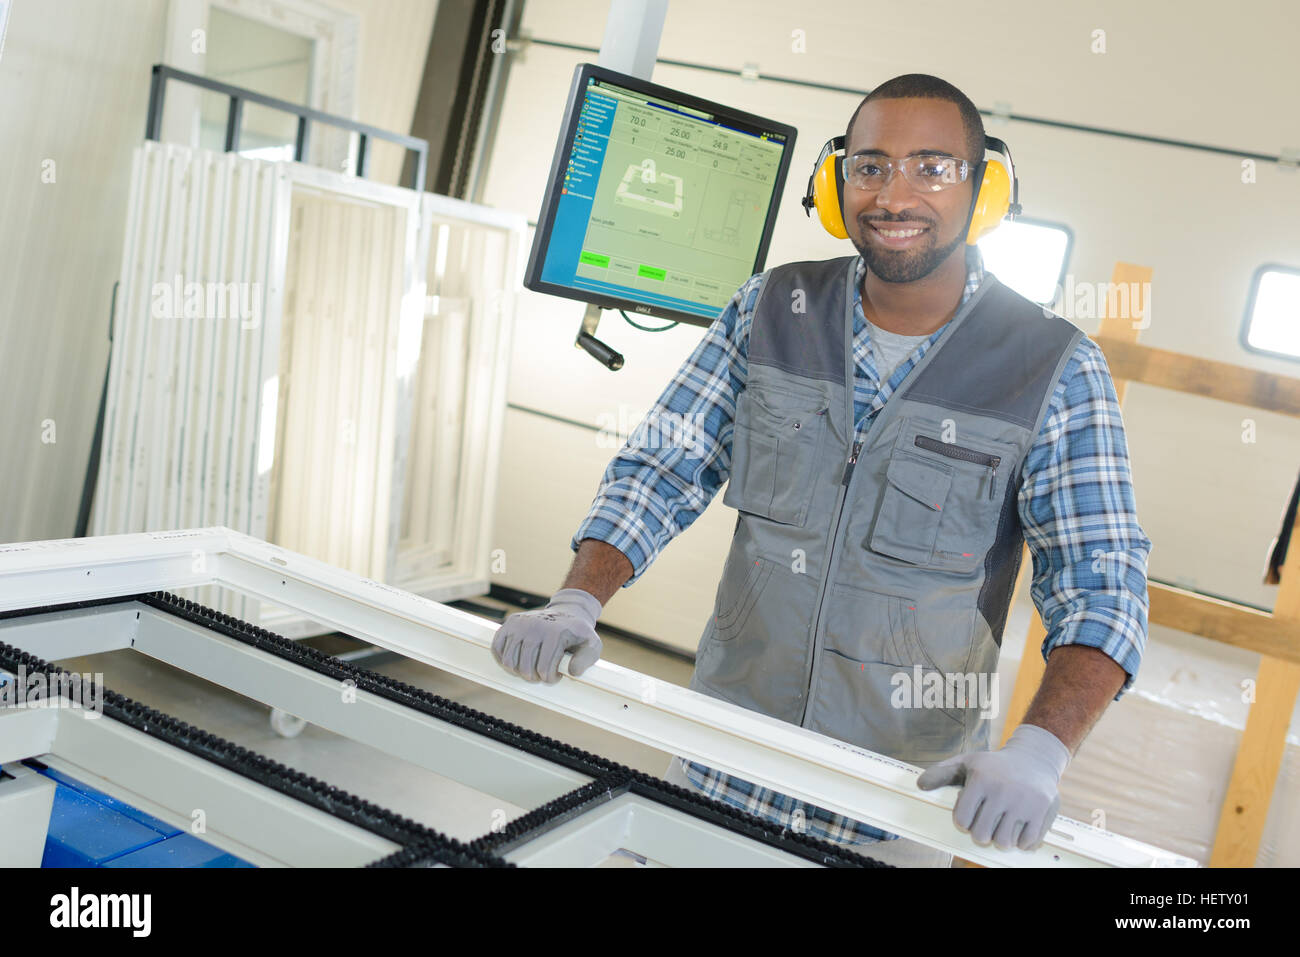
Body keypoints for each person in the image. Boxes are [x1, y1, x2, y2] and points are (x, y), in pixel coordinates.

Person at [492, 73, 1151, 867]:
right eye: (870, 166)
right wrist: (575, 599)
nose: (894, 194)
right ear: (837, 184)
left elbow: (1102, 581)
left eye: (932, 168)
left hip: (896, 802)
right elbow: (663, 467)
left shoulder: (1053, 366)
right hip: (720, 760)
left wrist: (1042, 750)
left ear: (984, 192)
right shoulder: (770, 307)